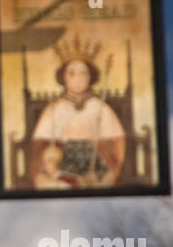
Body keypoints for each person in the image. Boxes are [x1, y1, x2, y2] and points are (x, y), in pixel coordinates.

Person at [29, 48, 125, 188]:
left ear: (90, 77)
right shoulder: (55, 109)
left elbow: (115, 145)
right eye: (72, 73)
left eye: (83, 73)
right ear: (64, 77)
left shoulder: (101, 108)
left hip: (93, 161)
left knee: (102, 182)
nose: (78, 78)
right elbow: (41, 145)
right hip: (62, 161)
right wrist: (50, 158)